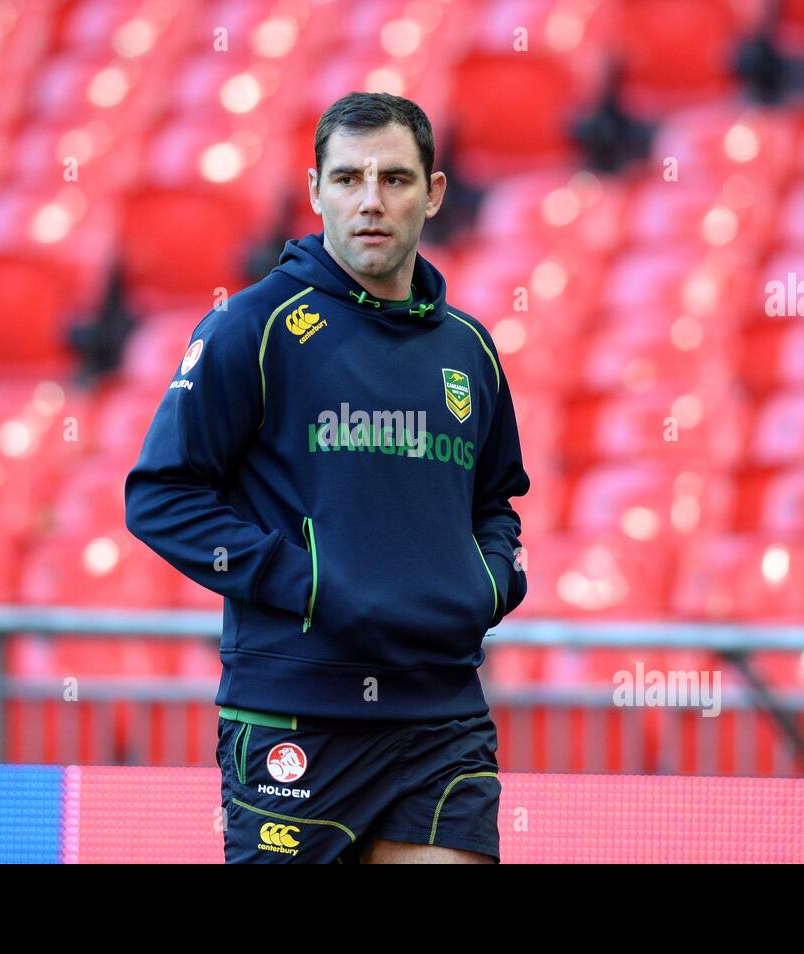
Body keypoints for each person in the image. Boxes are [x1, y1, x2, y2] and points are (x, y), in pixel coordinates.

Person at [124, 91, 530, 863]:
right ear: (314, 192)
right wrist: (302, 582)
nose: (370, 202)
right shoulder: (253, 327)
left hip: (439, 715)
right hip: (295, 719)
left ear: (434, 193)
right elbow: (160, 498)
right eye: (346, 180)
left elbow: (495, 499)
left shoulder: (470, 350)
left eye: (395, 179)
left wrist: (488, 580)